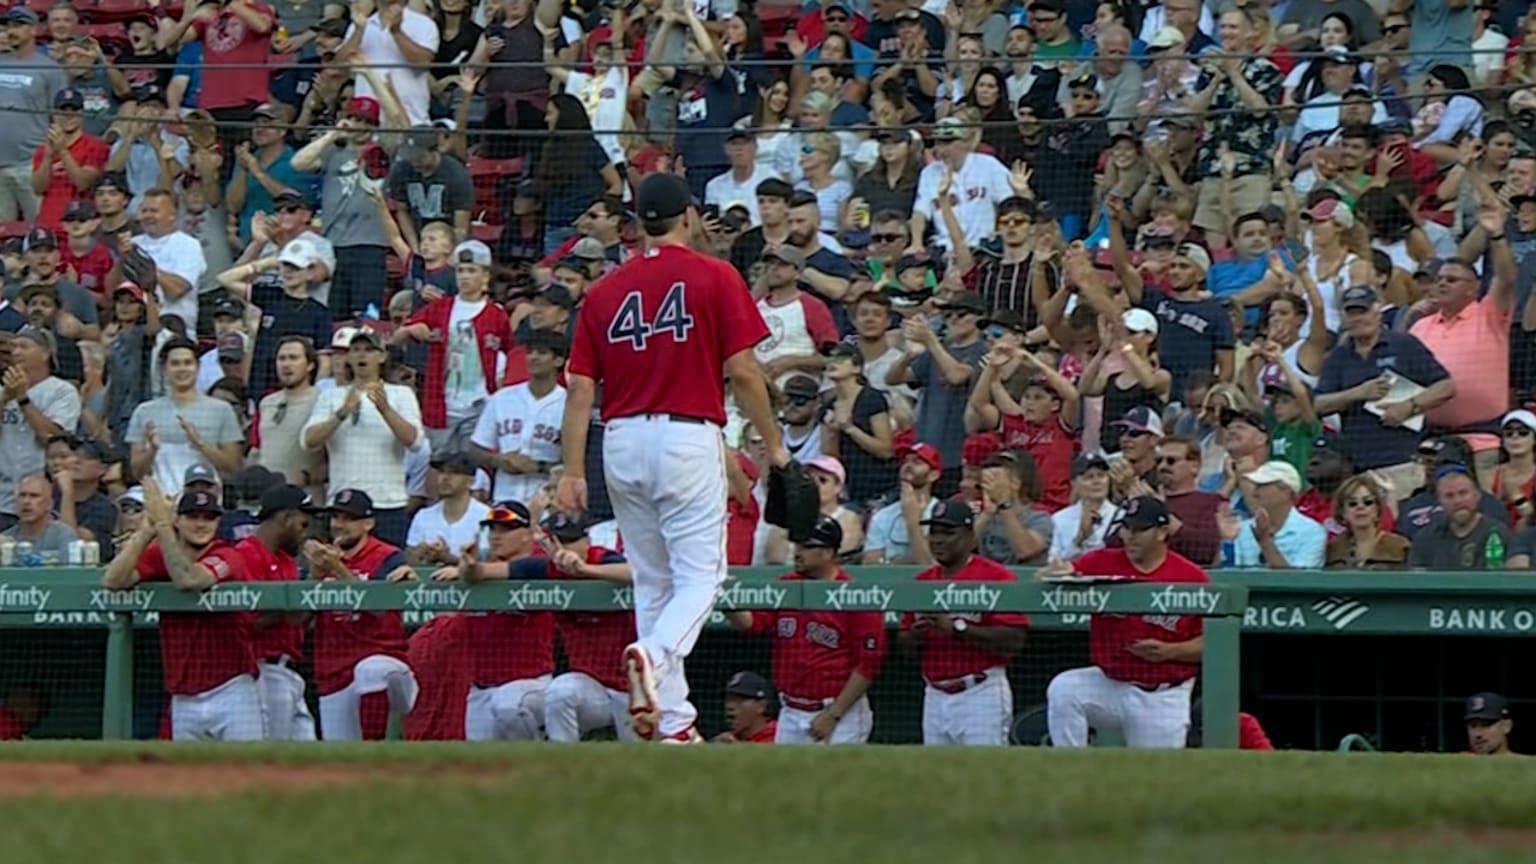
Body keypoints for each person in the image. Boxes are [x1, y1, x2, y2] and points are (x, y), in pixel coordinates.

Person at [556, 172, 788, 744]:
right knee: (703, 576)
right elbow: (743, 371)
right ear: (687, 216)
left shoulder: (604, 290)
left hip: (619, 440)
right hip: (687, 434)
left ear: (638, 222)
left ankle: (676, 723)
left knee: (654, 581)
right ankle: (656, 654)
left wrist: (571, 469)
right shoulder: (715, 274)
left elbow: (580, 388)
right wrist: (775, 443)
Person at [101, 481, 261, 741]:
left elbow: (188, 579)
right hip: (183, 694)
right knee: (188, 768)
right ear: (179, 520)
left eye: (209, 518)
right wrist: (147, 531)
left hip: (231, 687)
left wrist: (163, 527)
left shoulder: (227, 554)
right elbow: (113, 580)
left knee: (246, 764)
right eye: (193, 516)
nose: (201, 524)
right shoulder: (160, 554)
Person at [1043, 496, 1207, 748]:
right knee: (1064, 689)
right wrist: (1055, 570)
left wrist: (1170, 651)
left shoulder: (1191, 577)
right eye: (1126, 528)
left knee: (1157, 772)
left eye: (1140, 530)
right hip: (1111, 684)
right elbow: (1048, 575)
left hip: (1162, 694)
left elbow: (1213, 643)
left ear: (1162, 532)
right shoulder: (1100, 561)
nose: (1130, 536)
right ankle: (1072, 765)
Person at [727, 515, 885, 744]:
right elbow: (751, 624)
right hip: (790, 709)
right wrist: (728, 600)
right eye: (797, 545)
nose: (797, 552)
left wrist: (833, 714)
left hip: (838, 710)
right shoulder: (786, 585)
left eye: (806, 546)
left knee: (838, 769)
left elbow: (868, 664)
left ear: (828, 553)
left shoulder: (854, 594)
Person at [898, 499, 1028, 746]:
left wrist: (959, 628)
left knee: (984, 768)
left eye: (948, 533)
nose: (938, 540)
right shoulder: (922, 582)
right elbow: (904, 643)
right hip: (934, 694)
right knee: (935, 771)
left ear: (970, 536)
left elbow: (1015, 641)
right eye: (934, 532)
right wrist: (916, 635)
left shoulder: (996, 577)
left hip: (980, 692)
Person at [1314, 286, 1454, 503]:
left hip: (1402, 462)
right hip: (1357, 468)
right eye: (1351, 312)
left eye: (1363, 311)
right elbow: (1318, 405)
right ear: (1343, 317)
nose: (1358, 318)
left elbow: (1446, 386)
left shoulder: (1404, 345)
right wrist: (1358, 393)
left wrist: (1410, 406)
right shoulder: (1338, 357)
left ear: (1377, 312)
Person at [430, 502, 554, 741]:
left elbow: (491, 572)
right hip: (481, 687)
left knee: (508, 706)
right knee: (479, 760)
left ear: (527, 534)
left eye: (506, 529)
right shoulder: (478, 566)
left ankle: (538, 756)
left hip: (530, 685)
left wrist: (466, 570)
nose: (496, 536)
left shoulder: (540, 565)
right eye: (493, 529)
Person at [303, 489, 419, 742]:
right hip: (333, 671)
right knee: (340, 756)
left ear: (368, 523)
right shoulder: (322, 559)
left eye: (349, 518)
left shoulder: (388, 556)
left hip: (386, 661)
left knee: (371, 670)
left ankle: (375, 750)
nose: (339, 525)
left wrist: (337, 569)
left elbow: (377, 607)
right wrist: (314, 575)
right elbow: (300, 620)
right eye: (336, 517)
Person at [303, 330, 426, 546]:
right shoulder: (331, 396)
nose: (362, 355)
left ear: (382, 357)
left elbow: (415, 442)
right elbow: (308, 441)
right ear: (349, 357)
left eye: (369, 350)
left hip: (387, 503)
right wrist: (341, 413)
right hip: (343, 504)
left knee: (389, 564)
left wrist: (385, 410)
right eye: (356, 350)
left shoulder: (401, 394)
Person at [392, 240, 511, 454]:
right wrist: (412, 329)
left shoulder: (497, 316)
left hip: (480, 406)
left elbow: (510, 354)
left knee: (474, 464)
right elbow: (396, 339)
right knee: (437, 463)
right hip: (440, 405)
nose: (464, 276)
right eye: (460, 270)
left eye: (471, 271)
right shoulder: (438, 308)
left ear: (485, 276)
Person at [539, 511, 638, 743]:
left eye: (571, 541)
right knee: (560, 692)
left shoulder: (604, 559)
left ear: (587, 540)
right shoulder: (547, 569)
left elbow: (638, 573)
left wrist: (584, 570)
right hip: (592, 689)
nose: (565, 549)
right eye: (558, 541)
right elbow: (498, 571)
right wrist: (464, 569)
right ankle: (562, 760)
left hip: (634, 688)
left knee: (642, 756)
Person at [234, 484, 322, 741]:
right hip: (261, 671)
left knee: (306, 754)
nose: (305, 533)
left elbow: (297, 620)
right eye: (302, 524)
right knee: (274, 754)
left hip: (288, 671)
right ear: (285, 518)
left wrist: (315, 577)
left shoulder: (286, 560)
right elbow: (245, 623)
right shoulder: (245, 555)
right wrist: (286, 609)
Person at [127, 338, 244, 494]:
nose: (182, 369)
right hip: (160, 502)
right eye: (175, 363)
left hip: (205, 502)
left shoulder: (222, 410)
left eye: (187, 363)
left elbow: (233, 466)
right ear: (164, 368)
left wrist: (200, 444)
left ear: (198, 366)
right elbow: (137, 472)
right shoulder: (144, 411)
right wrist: (153, 449)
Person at [470, 329, 566, 505]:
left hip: (550, 502)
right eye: (530, 352)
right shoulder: (502, 398)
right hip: (504, 499)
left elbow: (577, 463)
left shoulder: (569, 404)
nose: (533, 357)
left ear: (558, 360)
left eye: (541, 353)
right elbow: (476, 449)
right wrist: (497, 460)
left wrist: (539, 466)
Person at [0, 326, 80, 530]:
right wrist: (4, 400)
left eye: (24, 346)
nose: (16, 352)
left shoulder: (62, 391)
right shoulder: (2, 390)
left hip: (42, 496)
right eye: (14, 347)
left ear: (45, 354)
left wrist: (22, 398)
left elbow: (50, 437)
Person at [250, 335, 324, 495]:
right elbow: (257, 450)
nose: (286, 364)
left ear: (310, 365)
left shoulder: (323, 400)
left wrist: (305, 477)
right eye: (281, 359)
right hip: (266, 496)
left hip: (305, 496)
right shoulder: (266, 402)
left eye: (293, 358)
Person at [1408, 466, 1513, 570]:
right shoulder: (1426, 538)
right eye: (1449, 496)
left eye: (1463, 493)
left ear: (1477, 496)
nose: (1457, 501)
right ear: (1439, 502)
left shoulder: (1497, 534)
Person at [1231, 460, 1327, 569]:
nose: (1254, 493)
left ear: (1287, 492)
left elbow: (1297, 579)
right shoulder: (1243, 529)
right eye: (1256, 486)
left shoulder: (1312, 533)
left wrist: (1265, 541)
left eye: (1263, 485)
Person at [864, 443, 941, 564]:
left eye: (917, 462)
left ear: (933, 475)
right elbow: (871, 565)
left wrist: (912, 522)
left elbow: (929, 565)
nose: (908, 466)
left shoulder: (943, 514)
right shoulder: (881, 517)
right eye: (905, 461)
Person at [1326, 474, 1411, 569]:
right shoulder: (1331, 550)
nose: (1360, 507)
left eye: (1368, 502)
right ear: (1342, 512)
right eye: (1352, 503)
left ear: (1377, 509)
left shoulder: (1400, 546)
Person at [1049, 454, 1118, 561]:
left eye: (1101, 476)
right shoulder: (1059, 520)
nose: (1096, 482)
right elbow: (1053, 562)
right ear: (1074, 483)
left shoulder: (1121, 516)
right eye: (1088, 477)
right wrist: (1079, 540)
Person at [2, 473, 77, 558]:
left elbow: (70, 566)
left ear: (49, 504)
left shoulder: (63, 535)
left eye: (34, 496)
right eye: (22, 495)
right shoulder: (6, 540)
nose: (26, 501)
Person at [714, 671, 779, 743]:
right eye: (729, 699)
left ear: (762, 706)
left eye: (740, 700)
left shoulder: (779, 735)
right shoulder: (729, 739)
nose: (730, 706)